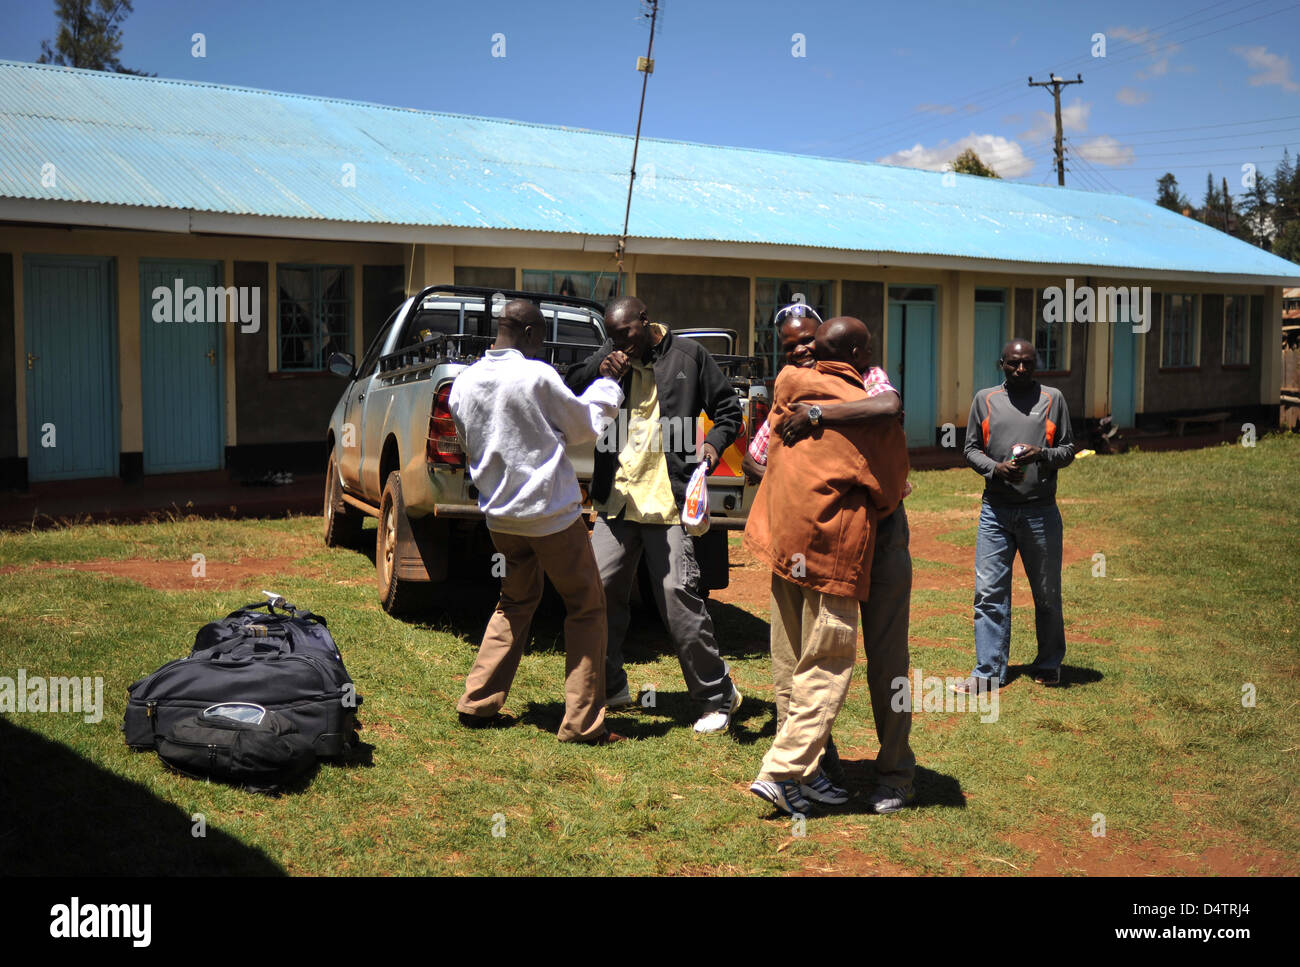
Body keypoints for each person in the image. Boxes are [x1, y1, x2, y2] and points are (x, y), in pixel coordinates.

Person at [743, 317, 910, 816]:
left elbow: (889, 405)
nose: (799, 353)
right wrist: (798, 477)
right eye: (790, 347)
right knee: (798, 654)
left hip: (875, 537)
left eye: (807, 344)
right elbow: (757, 455)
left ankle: (896, 772)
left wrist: (820, 415)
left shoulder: (866, 380)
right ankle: (805, 771)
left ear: (832, 346)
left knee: (885, 658)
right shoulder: (791, 391)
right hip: (811, 537)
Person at [565, 296, 744, 733]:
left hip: (668, 502)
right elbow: (571, 385)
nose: (619, 344)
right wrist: (601, 370)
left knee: (676, 598)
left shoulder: (689, 356)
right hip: (617, 501)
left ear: (645, 323)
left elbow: (728, 412)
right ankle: (611, 686)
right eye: (612, 336)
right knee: (600, 593)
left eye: (625, 334)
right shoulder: (613, 352)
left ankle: (718, 697)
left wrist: (712, 446)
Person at [449, 299, 625, 744]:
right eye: (542, 336)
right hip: (550, 517)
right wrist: (608, 385)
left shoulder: (463, 383)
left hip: (501, 518)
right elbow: (585, 425)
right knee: (586, 605)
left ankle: (478, 700)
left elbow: (472, 442)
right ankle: (582, 724)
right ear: (530, 333)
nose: (543, 344)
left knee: (514, 601)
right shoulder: (537, 375)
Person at [957, 338, 1075, 694]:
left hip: (1040, 512)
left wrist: (1042, 455)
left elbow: (1068, 450)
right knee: (989, 592)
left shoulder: (1053, 399)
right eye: (1013, 363)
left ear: (1036, 364)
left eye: (1027, 363)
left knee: (1047, 593)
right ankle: (989, 671)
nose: (1021, 369)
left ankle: (1050, 662)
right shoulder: (985, 399)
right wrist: (996, 469)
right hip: (995, 511)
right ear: (1002, 364)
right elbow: (971, 449)